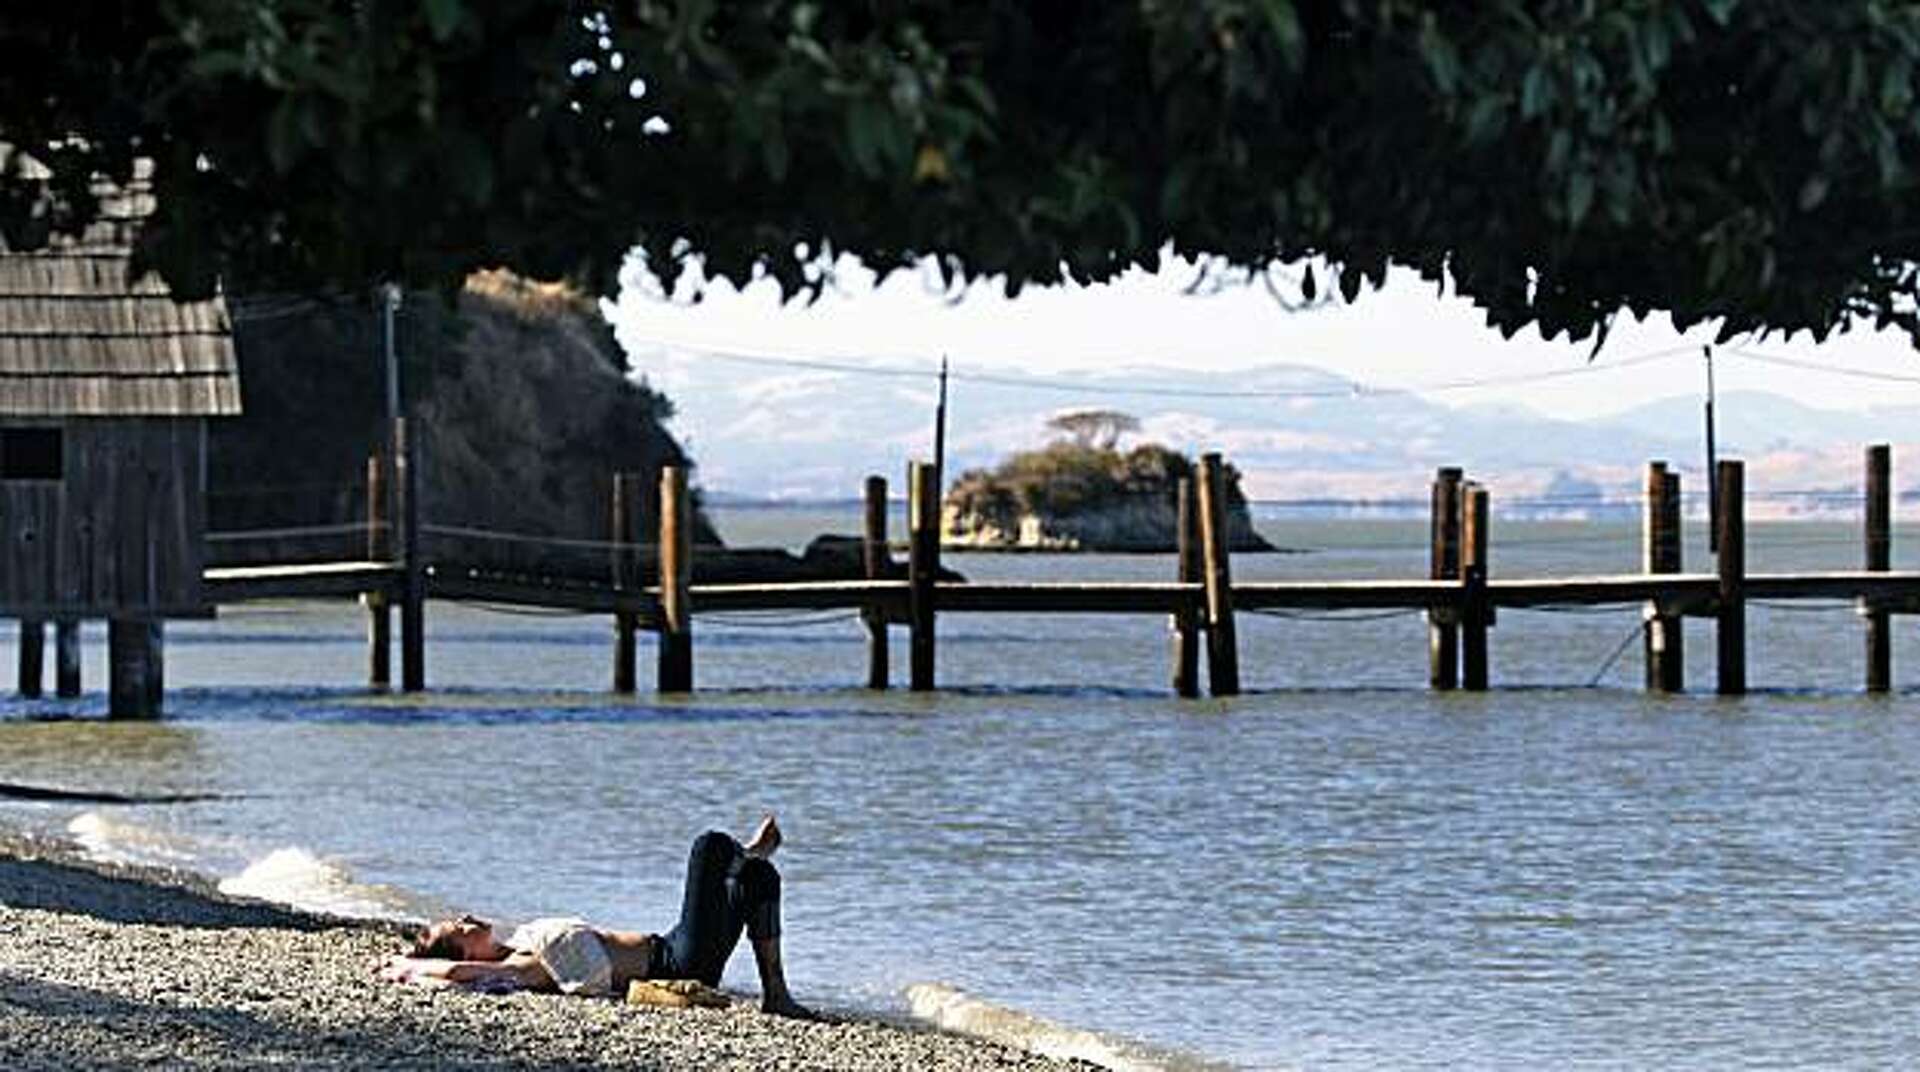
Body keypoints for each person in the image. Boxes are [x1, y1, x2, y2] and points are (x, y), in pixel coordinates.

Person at [383, 815, 812, 1018]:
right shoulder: (522, 968)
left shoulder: (522, 941)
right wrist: (406, 966)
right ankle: (749, 850)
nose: (466, 918)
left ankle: (776, 994)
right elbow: (456, 971)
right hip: (681, 963)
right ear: (461, 947)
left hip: (671, 942)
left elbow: (454, 964)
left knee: (758, 879)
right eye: (457, 927)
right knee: (710, 845)